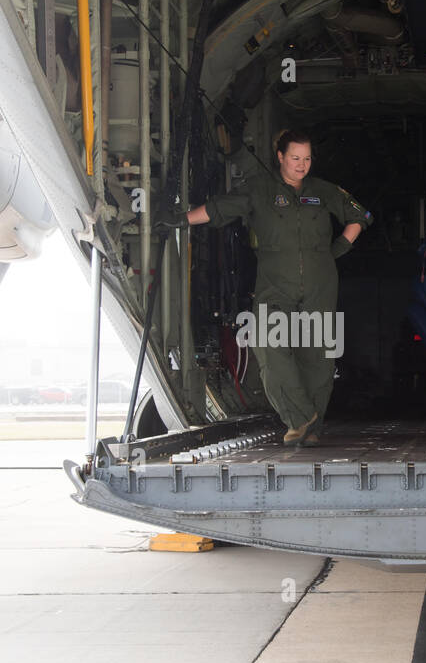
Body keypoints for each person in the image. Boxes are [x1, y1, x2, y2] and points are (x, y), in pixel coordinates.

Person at [158, 129, 372, 445]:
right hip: (275, 283)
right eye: (296, 158)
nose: (302, 165)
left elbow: (360, 215)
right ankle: (300, 417)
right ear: (281, 157)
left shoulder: (323, 191)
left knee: (318, 355)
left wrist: (340, 246)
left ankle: (310, 427)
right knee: (268, 344)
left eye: (307, 158)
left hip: (319, 282)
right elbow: (221, 208)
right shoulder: (260, 190)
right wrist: (182, 220)